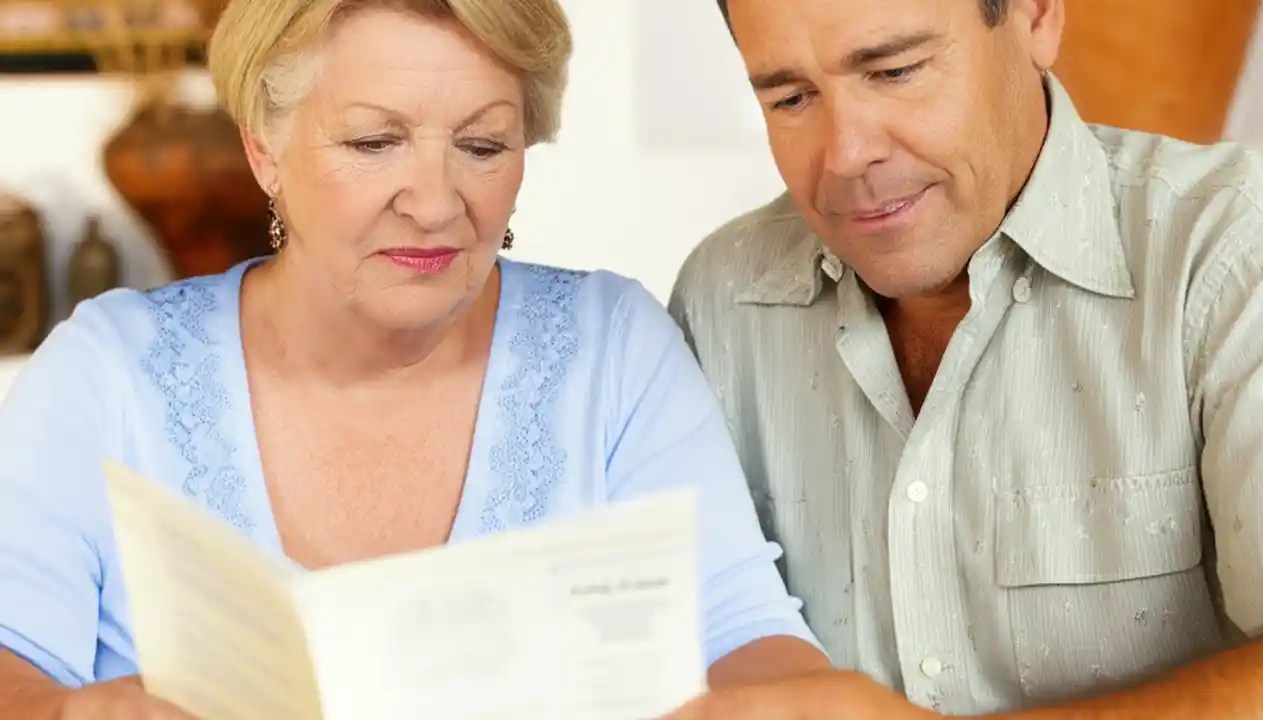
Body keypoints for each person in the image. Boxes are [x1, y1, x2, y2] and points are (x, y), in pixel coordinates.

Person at [0, 0, 830, 716]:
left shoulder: (613, 349)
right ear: (264, 151)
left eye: (482, 147)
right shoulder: (106, 372)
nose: (435, 204)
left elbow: (742, 635)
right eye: (372, 143)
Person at [667, 0, 1263, 717]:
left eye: (894, 71)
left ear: (1037, 18)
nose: (846, 153)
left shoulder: (1229, 254)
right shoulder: (721, 300)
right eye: (791, 97)